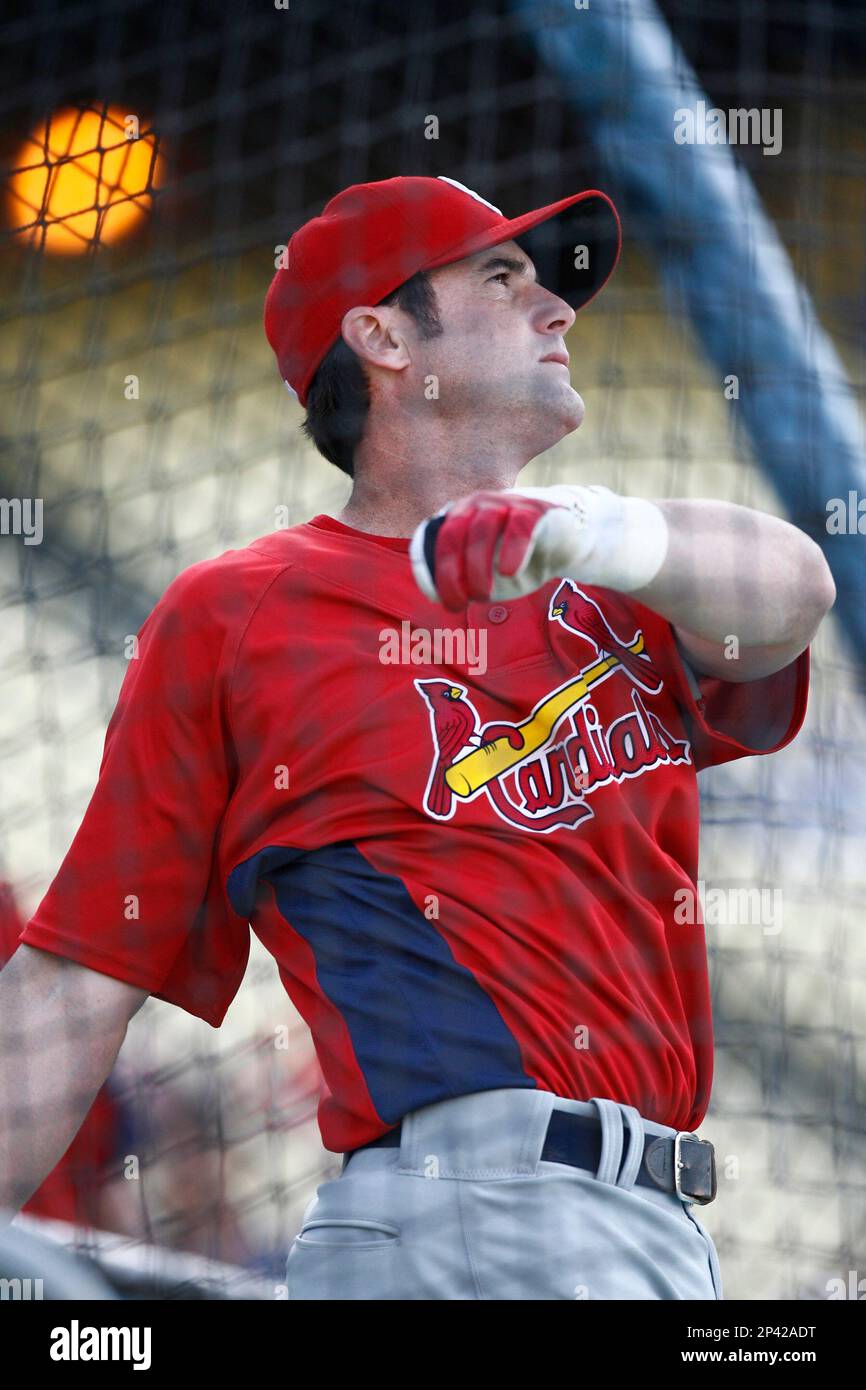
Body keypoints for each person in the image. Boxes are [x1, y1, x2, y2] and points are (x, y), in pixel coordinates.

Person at [0, 176, 835, 1300]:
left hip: (654, 1226)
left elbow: (794, 590)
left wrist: (584, 530)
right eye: (502, 276)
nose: (558, 311)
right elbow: (78, 977)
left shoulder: (617, 581)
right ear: (382, 336)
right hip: (479, 1212)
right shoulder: (242, 610)